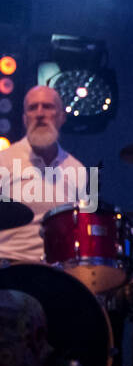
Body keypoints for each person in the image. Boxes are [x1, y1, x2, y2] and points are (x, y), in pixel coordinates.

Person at [0, 86, 91, 265]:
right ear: (25, 119)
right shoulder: (3, 161)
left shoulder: (77, 169)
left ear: (62, 117)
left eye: (48, 107)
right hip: (8, 269)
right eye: (32, 108)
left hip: (58, 271)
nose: (40, 114)